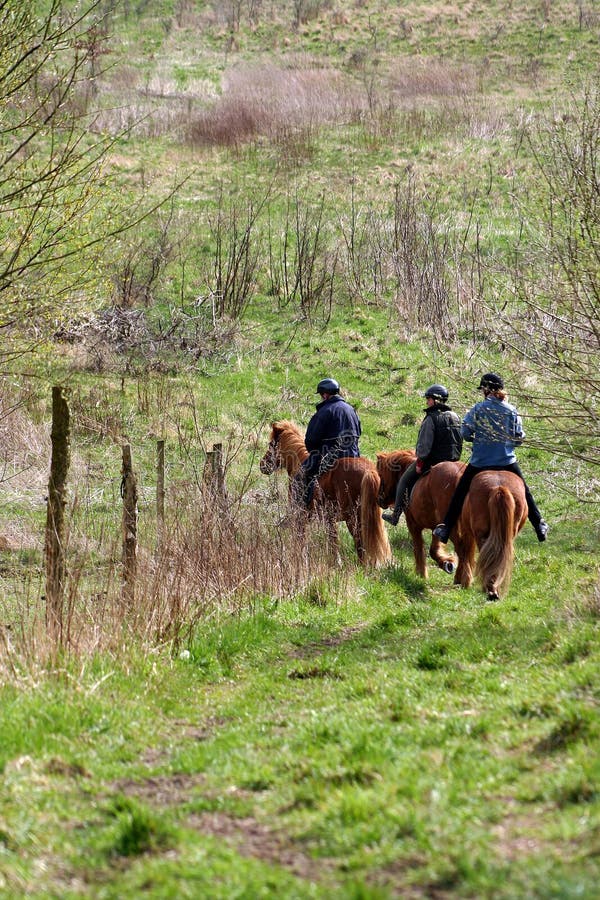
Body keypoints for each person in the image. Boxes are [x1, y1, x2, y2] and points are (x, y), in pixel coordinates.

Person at [433, 373, 549, 543]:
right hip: (507, 461)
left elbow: (465, 433)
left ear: (487, 390)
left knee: (460, 492)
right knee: (524, 491)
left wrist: (475, 438)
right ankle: (539, 525)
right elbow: (519, 437)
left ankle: (446, 527)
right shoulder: (511, 410)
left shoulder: (478, 409)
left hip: (480, 462)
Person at [382, 384, 463, 526]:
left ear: (436, 400)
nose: (427, 402)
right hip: (454, 462)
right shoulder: (456, 417)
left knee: (403, 481)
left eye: (429, 399)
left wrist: (420, 463)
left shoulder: (431, 418)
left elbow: (424, 448)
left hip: (432, 462)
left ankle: (395, 516)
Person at [294, 377, 361, 507]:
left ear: (325, 394)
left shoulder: (324, 411)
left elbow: (311, 441)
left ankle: (300, 511)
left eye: (321, 395)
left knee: (300, 476)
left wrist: (315, 451)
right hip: (354, 455)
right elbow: (358, 432)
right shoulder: (351, 410)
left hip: (330, 457)